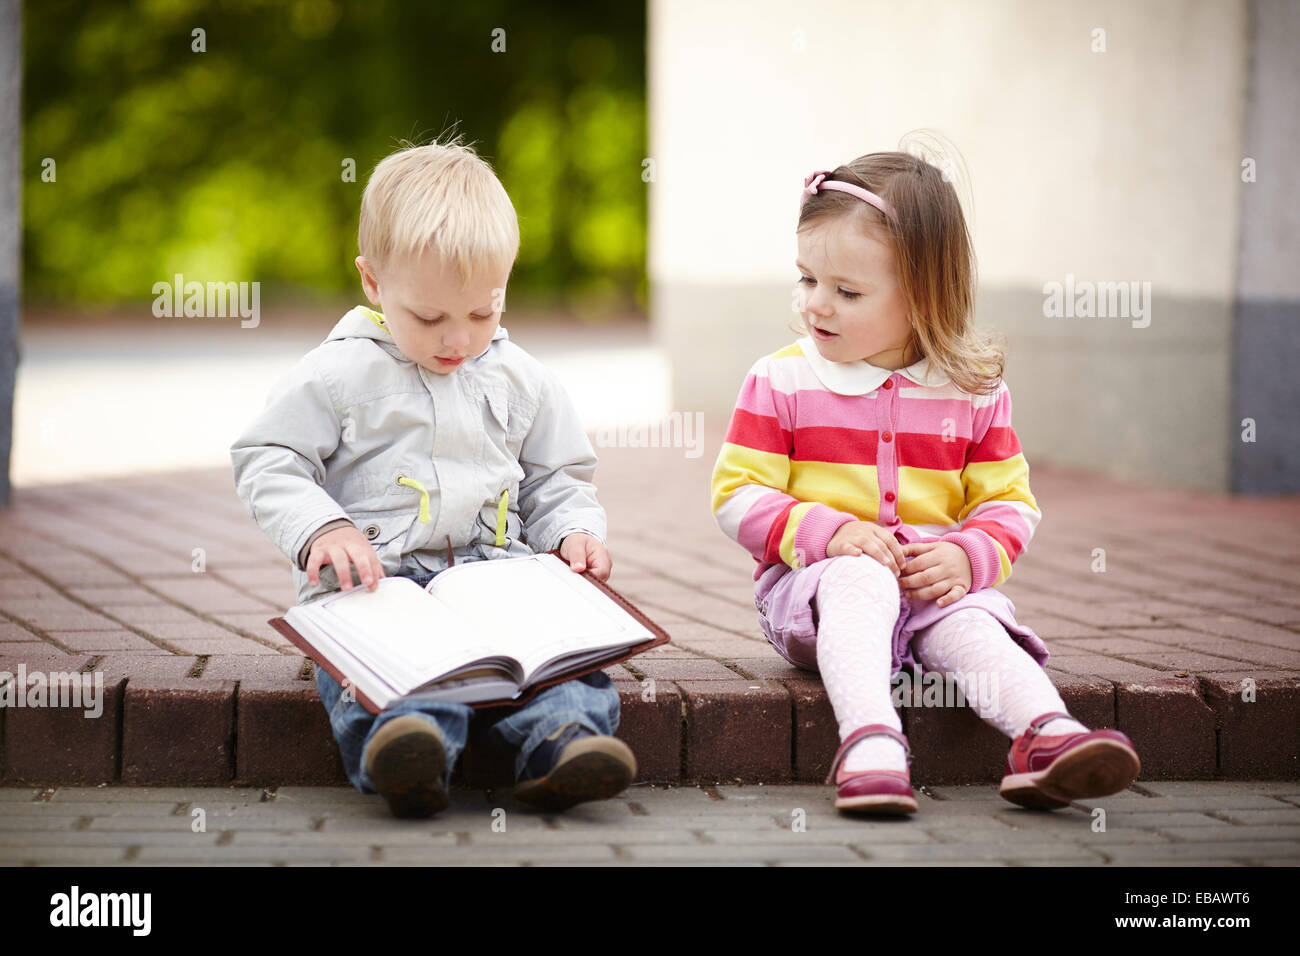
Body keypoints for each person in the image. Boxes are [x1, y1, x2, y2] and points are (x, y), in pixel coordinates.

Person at [710, 151, 1140, 815]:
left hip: (929, 594)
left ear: (923, 298)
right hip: (813, 594)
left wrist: (967, 557)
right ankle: (871, 743)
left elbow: (1009, 503)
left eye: (847, 292)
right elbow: (737, 495)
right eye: (806, 279)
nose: (816, 305)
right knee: (861, 577)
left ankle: (1046, 735)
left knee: (972, 625)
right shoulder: (782, 380)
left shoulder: (972, 392)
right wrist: (830, 533)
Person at [230, 138, 635, 818]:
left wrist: (571, 531)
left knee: (562, 665)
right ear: (372, 283)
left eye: (484, 312)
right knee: (384, 665)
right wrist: (321, 527)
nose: (458, 339)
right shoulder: (336, 374)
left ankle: (564, 742)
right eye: (429, 318)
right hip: (375, 582)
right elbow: (268, 457)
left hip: (496, 576)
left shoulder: (522, 378)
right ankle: (403, 746)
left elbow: (558, 476)